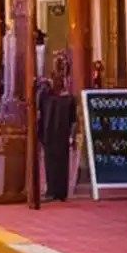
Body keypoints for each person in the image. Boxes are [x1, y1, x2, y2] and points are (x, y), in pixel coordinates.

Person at [38, 51, 78, 202]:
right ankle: (58, 190)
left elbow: (72, 118)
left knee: (55, 160)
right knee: (57, 160)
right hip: (56, 132)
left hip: (53, 131)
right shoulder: (55, 95)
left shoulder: (56, 97)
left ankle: (56, 190)